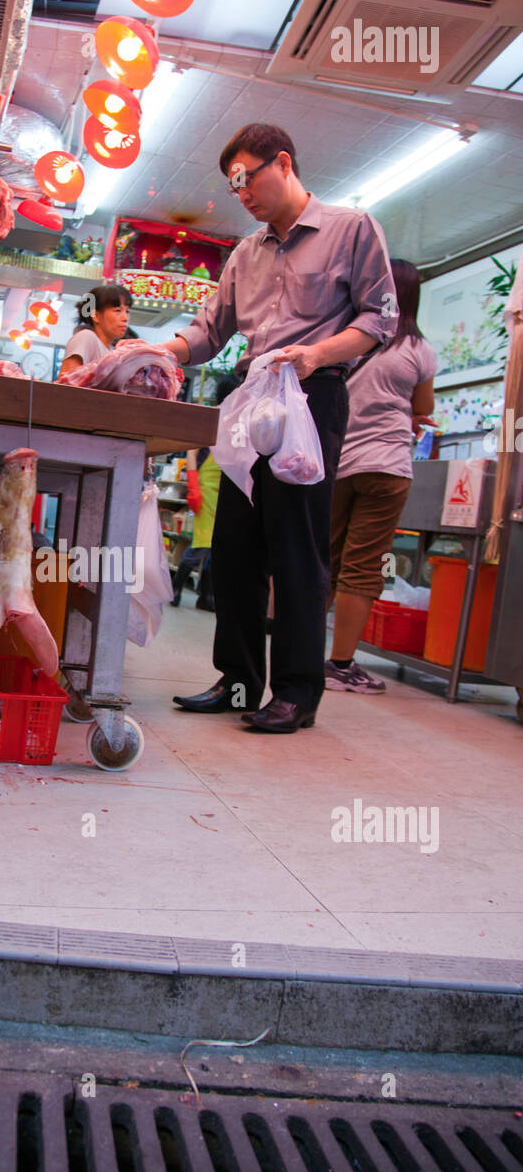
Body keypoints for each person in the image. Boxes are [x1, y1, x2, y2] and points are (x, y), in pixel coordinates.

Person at [165, 122, 397, 732]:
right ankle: (240, 683)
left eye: (247, 178)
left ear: (284, 162)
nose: (241, 193)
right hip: (250, 399)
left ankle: (298, 691)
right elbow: (210, 332)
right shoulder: (245, 253)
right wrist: (162, 352)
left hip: (311, 395)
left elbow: (381, 317)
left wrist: (319, 354)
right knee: (234, 546)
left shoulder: (351, 229)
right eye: (232, 185)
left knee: (297, 545)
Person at [325, 259, 436, 692]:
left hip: (337, 463)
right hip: (387, 467)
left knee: (326, 562)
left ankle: (296, 654)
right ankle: (340, 665)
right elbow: (422, 409)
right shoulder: (418, 351)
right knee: (362, 568)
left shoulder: (347, 340)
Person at [170, 448, 220, 610]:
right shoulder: (214, 423)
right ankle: (175, 588)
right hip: (206, 486)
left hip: (228, 485)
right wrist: (193, 485)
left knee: (219, 545)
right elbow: (192, 451)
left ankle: (206, 596)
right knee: (203, 542)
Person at [58, 284, 132, 377]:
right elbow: (65, 385)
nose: (125, 318)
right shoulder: (86, 337)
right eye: (117, 310)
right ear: (95, 315)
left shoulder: (111, 352)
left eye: (127, 311)